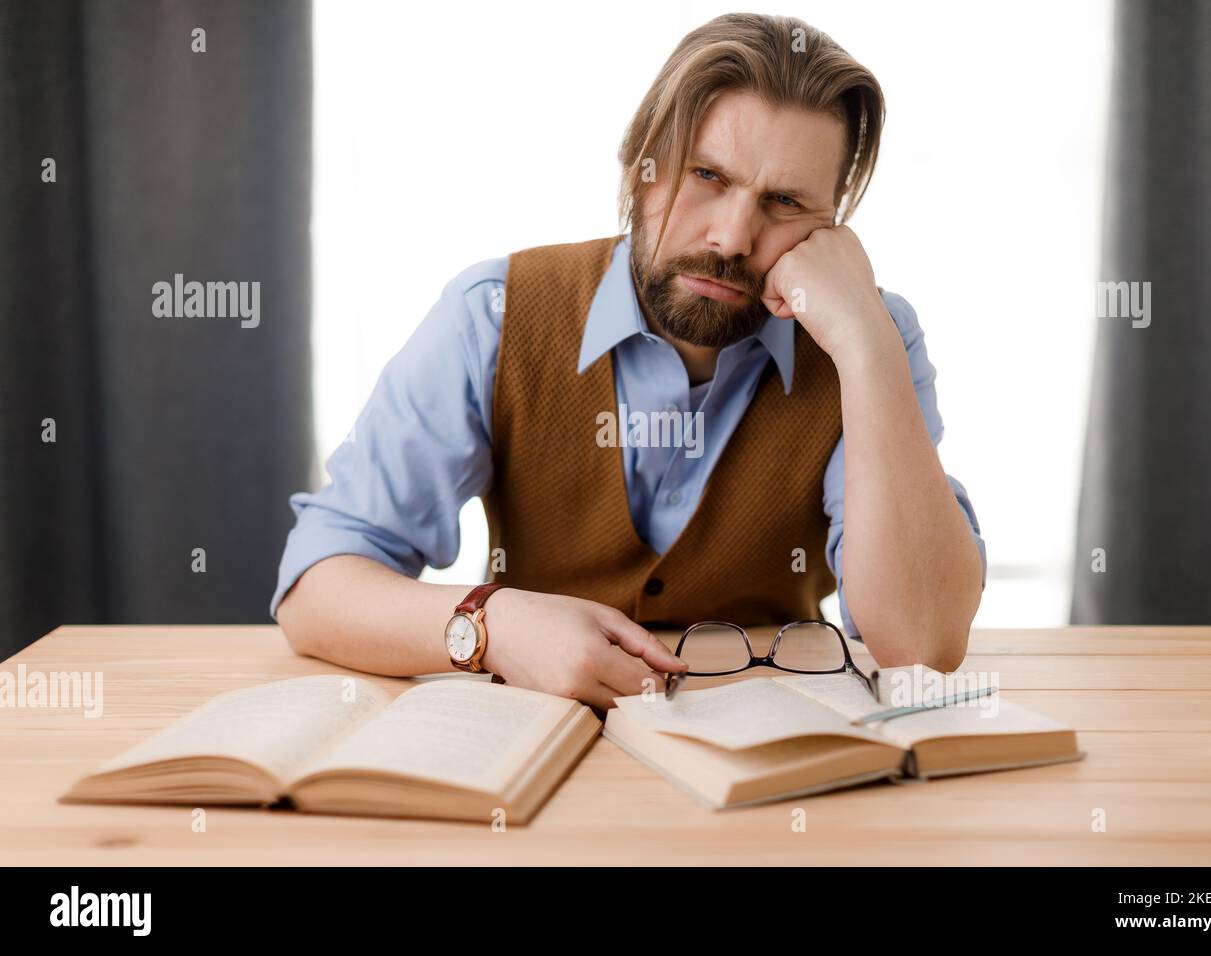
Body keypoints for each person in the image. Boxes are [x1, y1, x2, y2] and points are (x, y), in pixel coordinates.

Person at [272, 13, 986, 711]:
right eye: (707, 175)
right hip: (537, 753)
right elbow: (317, 587)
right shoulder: (492, 315)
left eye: (784, 202)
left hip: (768, 767)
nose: (733, 237)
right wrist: (494, 625)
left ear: (830, 227)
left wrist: (864, 339)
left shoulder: (868, 336)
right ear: (637, 165)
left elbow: (921, 644)